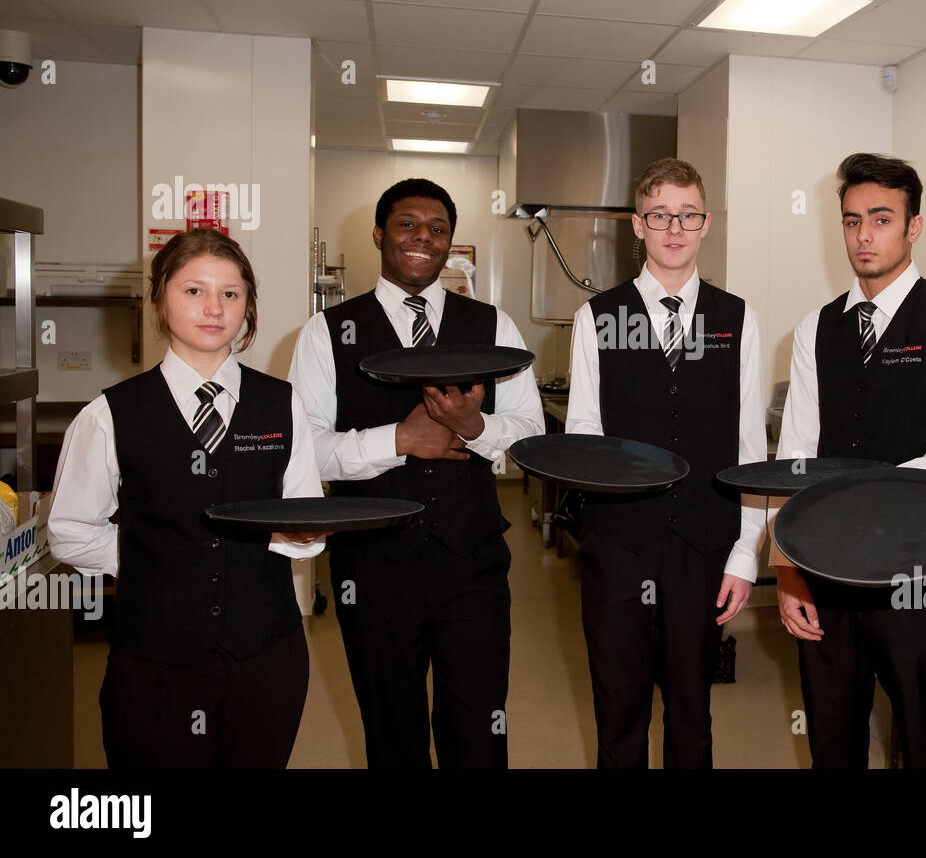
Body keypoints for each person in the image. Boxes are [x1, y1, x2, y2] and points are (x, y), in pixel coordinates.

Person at [288, 177, 543, 769]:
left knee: (479, 729)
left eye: (437, 229)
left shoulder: (493, 327)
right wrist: (399, 439)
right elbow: (308, 453)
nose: (422, 238)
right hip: (373, 568)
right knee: (392, 731)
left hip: (472, 563)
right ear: (379, 233)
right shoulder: (327, 332)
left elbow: (531, 435)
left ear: (450, 243)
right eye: (407, 224)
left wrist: (475, 428)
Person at [48, 229, 327, 768]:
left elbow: (302, 510)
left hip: (266, 653)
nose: (214, 308)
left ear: (247, 307)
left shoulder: (280, 404)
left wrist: (301, 537)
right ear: (160, 300)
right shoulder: (110, 414)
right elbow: (69, 530)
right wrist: (152, 561)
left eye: (231, 293)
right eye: (194, 291)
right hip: (154, 660)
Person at [771, 152, 926, 768]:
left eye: (880, 218)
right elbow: (796, 455)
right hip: (827, 568)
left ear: (913, 226)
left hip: (918, 577)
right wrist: (788, 571)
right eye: (851, 221)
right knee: (831, 740)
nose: (864, 235)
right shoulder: (815, 330)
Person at [566, 157, 766, 768]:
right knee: (618, 710)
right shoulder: (597, 317)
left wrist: (744, 556)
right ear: (637, 224)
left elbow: (749, 449)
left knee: (692, 712)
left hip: (703, 548)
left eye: (687, 216)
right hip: (620, 546)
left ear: (706, 223)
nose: (674, 229)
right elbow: (583, 437)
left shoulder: (736, 319)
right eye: (659, 216)